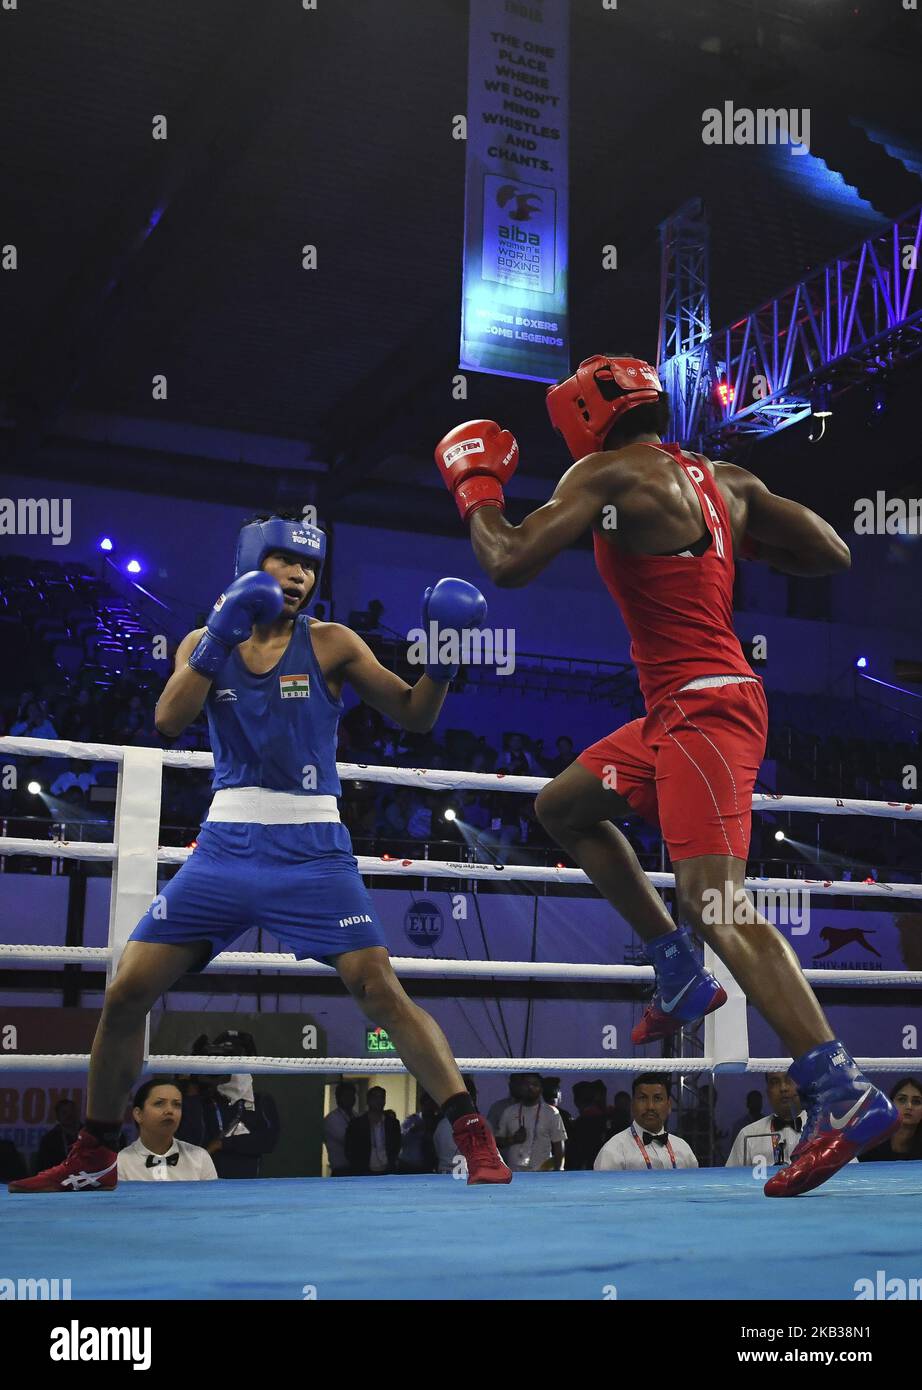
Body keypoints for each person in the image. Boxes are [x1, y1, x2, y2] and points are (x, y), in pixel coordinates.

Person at [435, 355, 899, 1198]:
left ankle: (841, 1090)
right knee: (563, 806)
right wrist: (729, 538)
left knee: (717, 902)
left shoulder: (602, 471)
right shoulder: (725, 478)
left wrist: (475, 487)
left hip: (702, 712)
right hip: (682, 711)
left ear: (584, 414)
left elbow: (505, 561)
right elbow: (830, 551)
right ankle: (676, 966)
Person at [10, 512, 510, 1193]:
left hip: (314, 853)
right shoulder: (200, 642)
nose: (300, 575)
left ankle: (475, 1139)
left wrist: (444, 660)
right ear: (252, 562)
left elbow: (414, 715)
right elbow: (166, 720)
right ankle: (95, 1157)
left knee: (379, 990)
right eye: (284, 560)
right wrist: (219, 632)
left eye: (309, 567)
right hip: (224, 848)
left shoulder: (333, 643)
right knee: (126, 991)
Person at [594, 1074, 697, 1172]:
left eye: (658, 1098)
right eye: (643, 1098)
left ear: (669, 1105)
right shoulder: (612, 1152)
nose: (650, 1106)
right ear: (632, 1104)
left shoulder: (684, 1150)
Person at [118, 1080, 217, 1181]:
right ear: (138, 1114)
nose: (170, 1111)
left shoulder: (199, 1158)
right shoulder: (121, 1162)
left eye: (177, 1104)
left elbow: (214, 1197)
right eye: (159, 1103)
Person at [726, 1072, 805, 1168]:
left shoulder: (825, 1126)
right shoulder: (748, 1134)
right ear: (768, 1092)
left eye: (789, 1080)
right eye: (775, 1082)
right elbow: (732, 1180)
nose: (783, 1088)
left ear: (802, 1085)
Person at [495, 1072, 566, 1171]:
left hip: (542, 1172)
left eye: (535, 1084)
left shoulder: (551, 1112)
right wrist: (513, 1139)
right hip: (515, 1173)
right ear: (520, 1087)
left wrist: (559, 1171)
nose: (530, 1087)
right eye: (526, 1084)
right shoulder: (509, 1112)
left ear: (541, 1088)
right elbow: (496, 1142)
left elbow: (559, 1144)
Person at [859, 1078, 922, 1162]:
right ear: (891, 1104)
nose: (909, 1106)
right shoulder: (870, 1142)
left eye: (916, 1102)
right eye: (902, 1100)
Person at [345, 1086, 402, 1175]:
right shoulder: (357, 1124)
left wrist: (392, 1162)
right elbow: (349, 1148)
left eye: (382, 1097)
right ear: (368, 1100)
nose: (378, 1100)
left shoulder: (393, 1123)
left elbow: (396, 1145)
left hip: (388, 1170)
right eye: (375, 1097)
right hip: (363, 1171)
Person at [434, 1075, 478, 1175]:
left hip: (448, 1175)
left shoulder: (442, 1124)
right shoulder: (443, 1125)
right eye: (473, 1095)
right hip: (465, 1175)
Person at [565, 1081, 613, 1170]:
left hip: (586, 1168)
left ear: (576, 1101)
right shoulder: (606, 1117)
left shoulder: (582, 1122)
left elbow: (577, 1152)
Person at [33, 1098, 81, 1173]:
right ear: (58, 1117)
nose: (69, 1115)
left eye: (72, 1112)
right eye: (64, 1113)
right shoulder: (49, 1139)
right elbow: (43, 1167)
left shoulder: (88, 1134)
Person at [324, 1081, 357, 1176]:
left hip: (356, 1169)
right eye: (346, 1096)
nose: (350, 1099)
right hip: (341, 1171)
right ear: (338, 1098)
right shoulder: (332, 1119)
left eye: (352, 1095)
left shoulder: (356, 1115)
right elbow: (348, 1140)